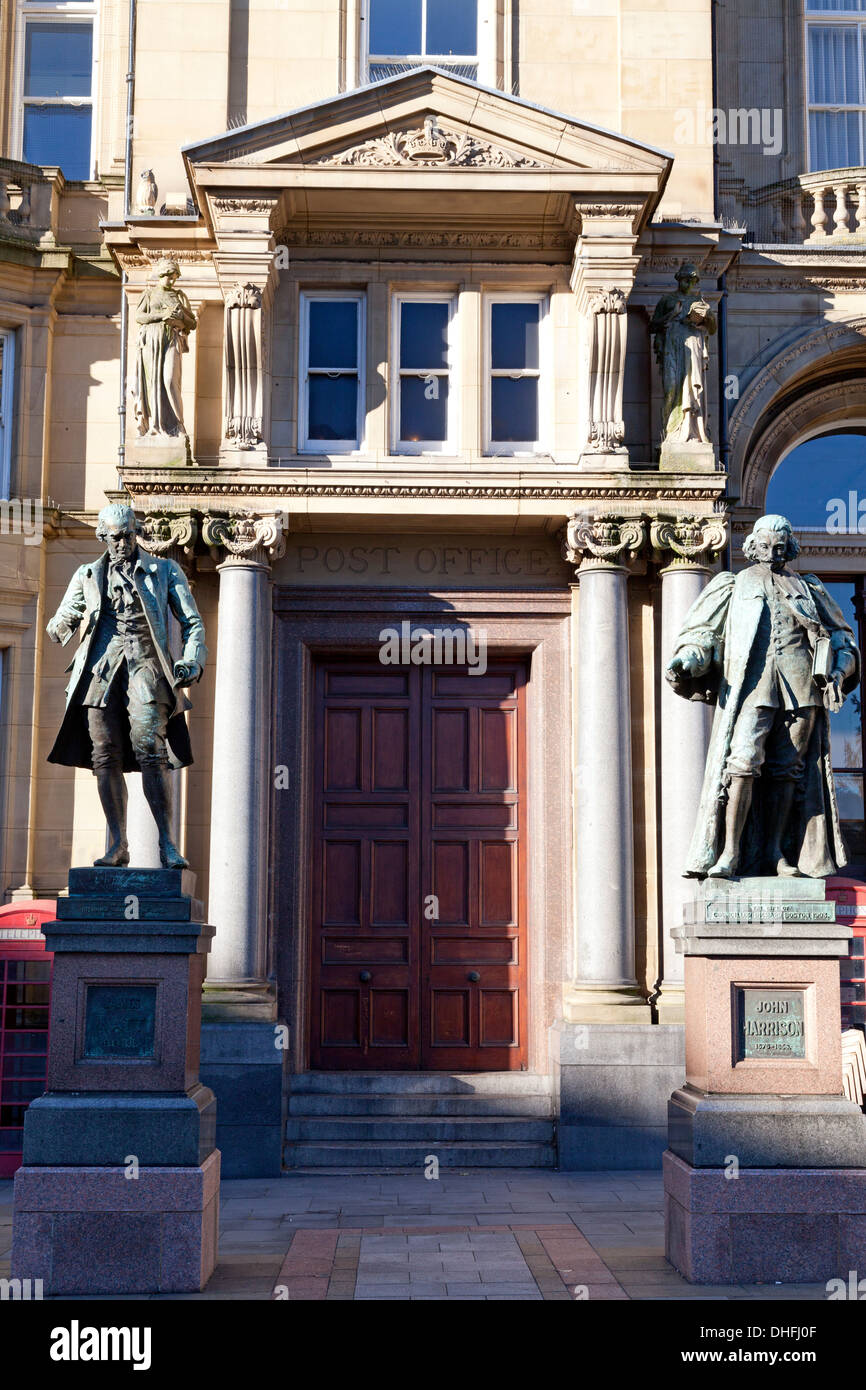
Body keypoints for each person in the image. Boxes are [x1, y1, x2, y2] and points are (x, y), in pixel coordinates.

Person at [667, 514, 860, 879]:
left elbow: (842, 638)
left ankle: (776, 852)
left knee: (788, 771)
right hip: (753, 688)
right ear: (752, 546)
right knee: (742, 763)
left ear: (789, 547)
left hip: (802, 689)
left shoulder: (809, 589)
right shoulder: (733, 584)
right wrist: (686, 660)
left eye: (779, 545)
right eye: (765, 544)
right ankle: (730, 852)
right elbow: (703, 634)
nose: (772, 551)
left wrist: (839, 669)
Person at [46, 503, 207, 868]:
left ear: (136, 532)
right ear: (102, 536)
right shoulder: (87, 574)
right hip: (101, 671)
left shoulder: (164, 570)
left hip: (146, 667)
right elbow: (62, 618)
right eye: (114, 536)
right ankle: (118, 844)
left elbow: (193, 623)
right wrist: (61, 625)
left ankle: (167, 844)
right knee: (104, 755)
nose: (122, 542)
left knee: (151, 748)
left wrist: (192, 660)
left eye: (128, 534)